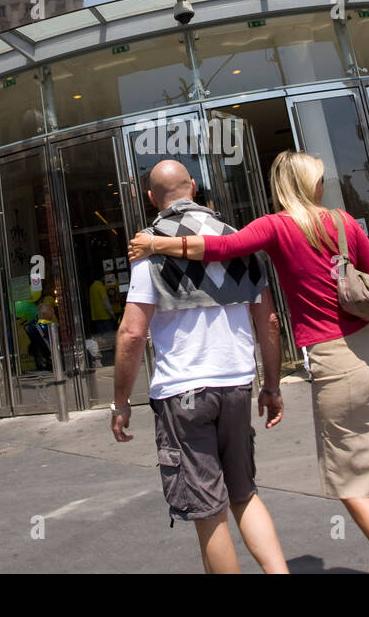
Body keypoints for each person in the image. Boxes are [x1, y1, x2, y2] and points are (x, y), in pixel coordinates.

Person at [128, 150, 369, 574]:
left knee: (354, 487)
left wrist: (157, 243)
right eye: (320, 177)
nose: (324, 184)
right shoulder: (343, 222)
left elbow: (221, 248)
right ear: (311, 183)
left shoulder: (276, 226)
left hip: (334, 362)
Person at [112, 160, 287, 574]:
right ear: (193, 186)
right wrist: (273, 386)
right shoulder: (241, 241)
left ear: (151, 198)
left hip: (182, 393)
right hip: (237, 384)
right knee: (244, 494)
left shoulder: (148, 246)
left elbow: (132, 334)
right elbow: (271, 324)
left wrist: (121, 401)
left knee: (209, 511)